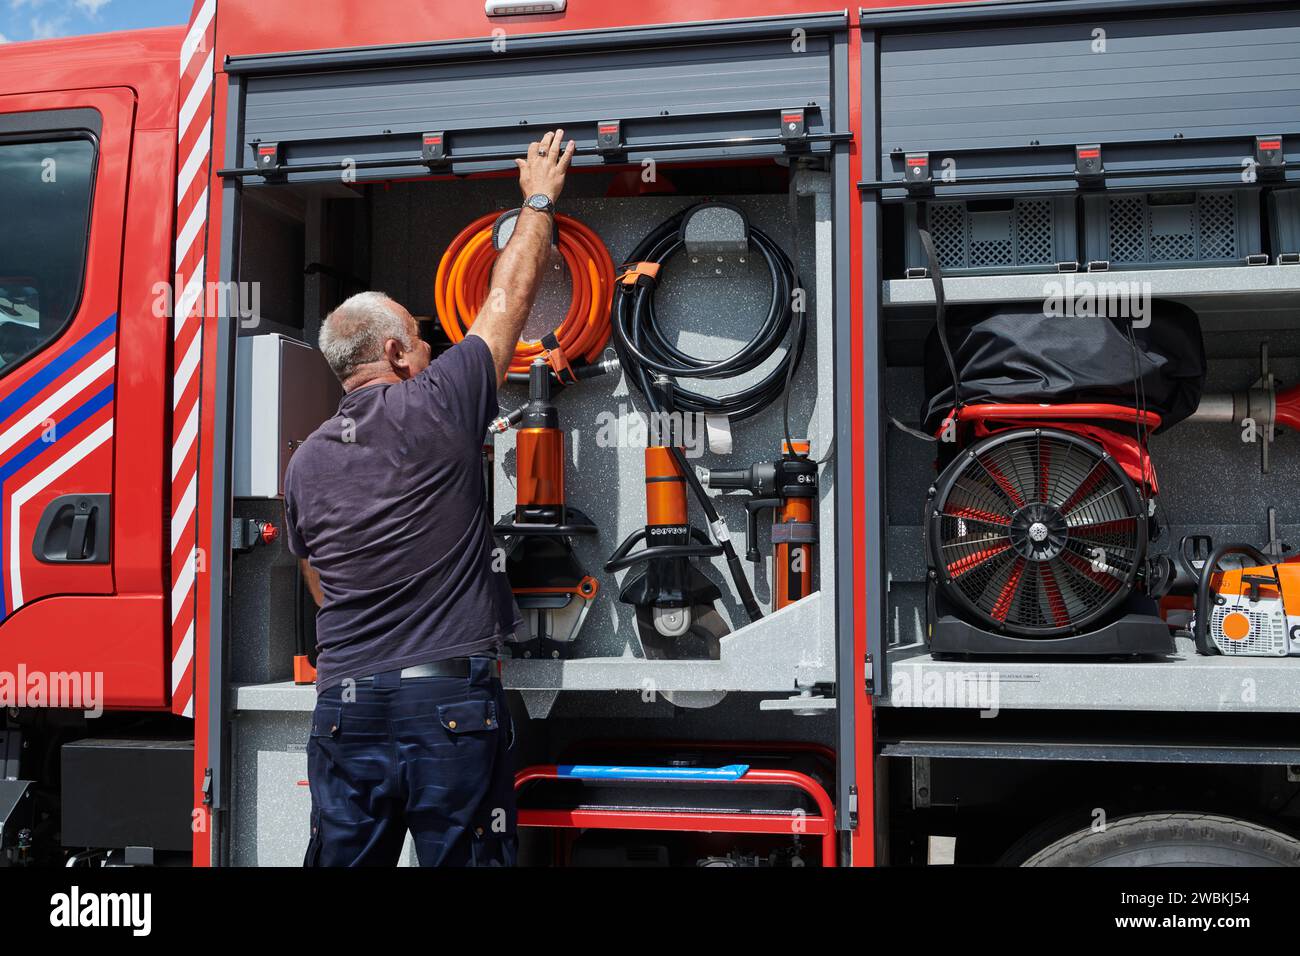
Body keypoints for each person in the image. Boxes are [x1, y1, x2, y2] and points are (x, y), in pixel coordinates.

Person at [283, 129, 575, 866]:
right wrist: (538, 198)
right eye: (419, 340)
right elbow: (508, 301)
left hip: (345, 707)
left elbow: (315, 572)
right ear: (391, 353)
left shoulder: (306, 461)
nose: (432, 353)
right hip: (445, 707)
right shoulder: (439, 403)